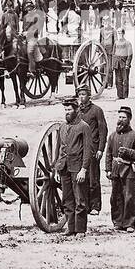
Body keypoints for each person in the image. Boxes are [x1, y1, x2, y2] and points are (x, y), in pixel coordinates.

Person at [55, 97, 94, 235]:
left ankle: (80, 229)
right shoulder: (62, 127)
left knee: (80, 200)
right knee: (67, 199)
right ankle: (70, 228)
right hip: (64, 168)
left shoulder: (84, 127)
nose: (67, 112)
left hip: (77, 168)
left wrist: (83, 169)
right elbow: (58, 148)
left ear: (76, 110)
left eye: (69, 109)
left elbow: (88, 150)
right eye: (65, 110)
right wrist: (57, 168)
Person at [105, 105, 135, 231]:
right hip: (115, 170)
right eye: (119, 117)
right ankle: (117, 222)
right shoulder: (112, 136)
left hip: (129, 171)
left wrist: (128, 152)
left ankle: (129, 224)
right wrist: (108, 169)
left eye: (124, 117)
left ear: (129, 119)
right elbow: (108, 153)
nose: (120, 120)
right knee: (115, 197)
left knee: (129, 197)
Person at [75, 85, 107, 215]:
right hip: (80, 150)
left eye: (84, 94)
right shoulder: (77, 111)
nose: (81, 97)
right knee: (82, 178)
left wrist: (100, 149)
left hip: (93, 149)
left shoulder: (96, 110)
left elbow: (103, 130)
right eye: (80, 95)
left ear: (89, 96)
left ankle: (95, 206)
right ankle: (84, 205)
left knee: (93, 178)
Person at [113, 29, 134, 99]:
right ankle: (119, 95)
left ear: (123, 33)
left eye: (120, 32)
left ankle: (125, 96)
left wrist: (127, 64)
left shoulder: (127, 43)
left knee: (125, 80)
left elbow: (130, 54)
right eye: (118, 33)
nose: (119, 34)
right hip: (117, 63)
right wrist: (113, 64)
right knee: (118, 80)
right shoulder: (116, 43)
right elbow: (113, 54)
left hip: (124, 63)